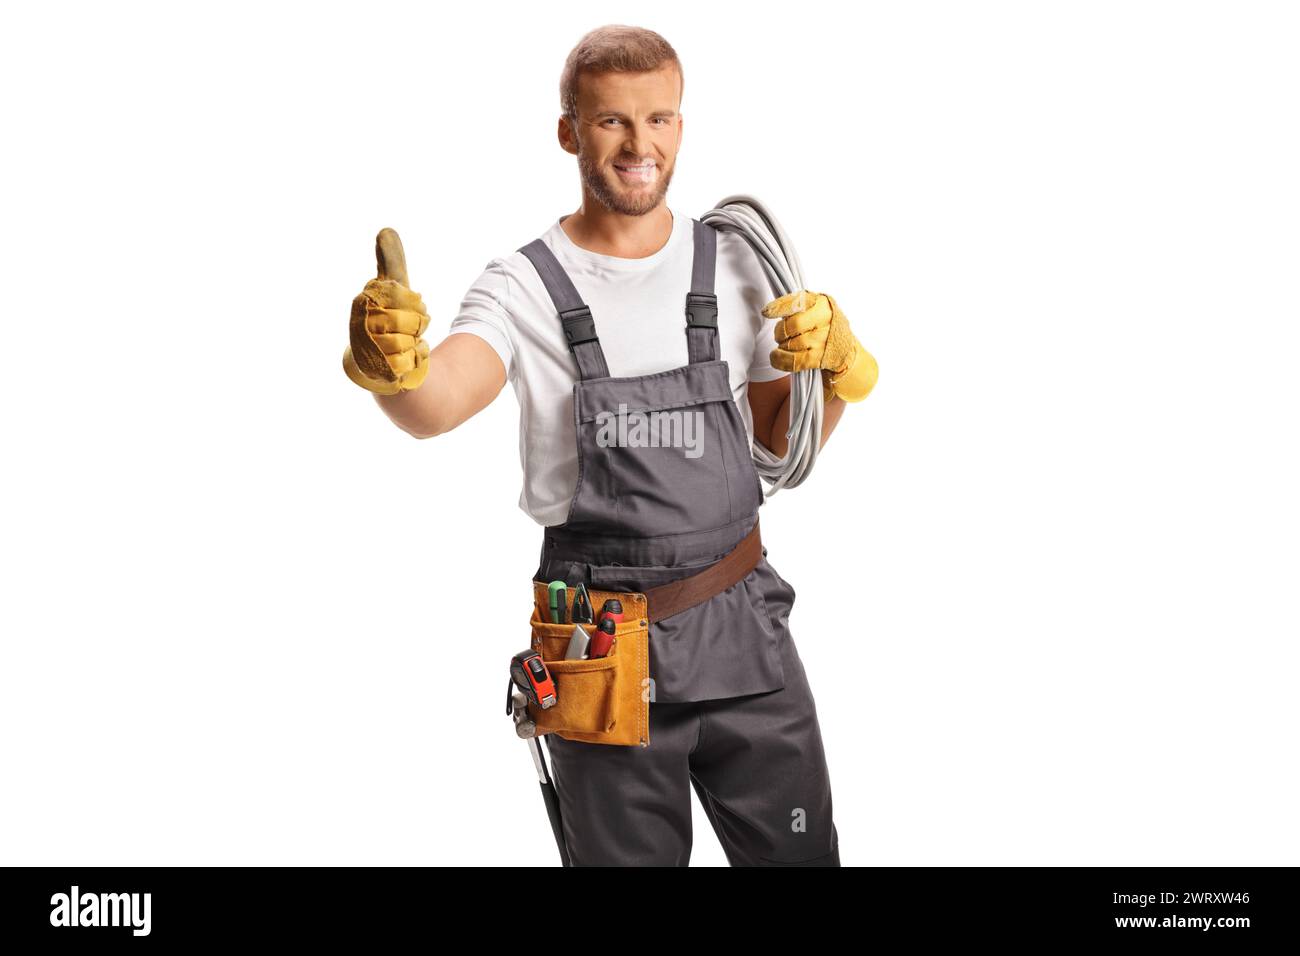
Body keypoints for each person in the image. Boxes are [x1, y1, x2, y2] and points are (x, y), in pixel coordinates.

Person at [342, 24, 877, 866]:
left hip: (743, 628)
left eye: (660, 119)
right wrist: (393, 374)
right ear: (569, 132)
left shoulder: (734, 262)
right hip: (602, 651)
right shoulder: (523, 285)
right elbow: (439, 402)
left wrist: (838, 375)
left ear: (680, 125)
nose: (640, 144)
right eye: (611, 122)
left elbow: (783, 444)